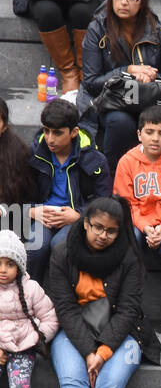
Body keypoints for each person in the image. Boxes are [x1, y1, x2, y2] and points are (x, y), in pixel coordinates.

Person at [49, 196, 160, 388]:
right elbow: (65, 308)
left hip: (123, 334)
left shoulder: (129, 258)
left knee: (111, 380)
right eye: (97, 227)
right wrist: (89, 351)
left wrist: (103, 353)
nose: (103, 235)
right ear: (85, 223)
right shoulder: (62, 253)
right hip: (74, 332)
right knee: (73, 379)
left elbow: (127, 311)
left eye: (111, 231)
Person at [80, 0, 161, 171]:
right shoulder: (97, 29)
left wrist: (149, 76)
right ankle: (115, 183)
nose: (124, 2)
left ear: (142, 1)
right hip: (111, 101)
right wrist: (128, 71)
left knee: (152, 122)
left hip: (149, 98)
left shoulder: (160, 32)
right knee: (120, 122)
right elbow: (91, 81)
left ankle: (149, 181)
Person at [110, 106, 161, 330]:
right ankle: (128, 298)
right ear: (139, 134)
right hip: (138, 220)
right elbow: (126, 204)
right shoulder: (127, 162)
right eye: (149, 132)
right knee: (130, 240)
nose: (155, 138)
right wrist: (147, 228)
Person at [25, 98, 110, 284]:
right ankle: (30, 300)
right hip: (43, 215)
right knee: (35, 246)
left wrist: (80, 216)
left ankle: (62, 304)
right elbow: (17, 193)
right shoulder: (33, 155)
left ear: (74, 133)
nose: (50, 139)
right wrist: (31, 211)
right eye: (46, 131)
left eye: (57, 133)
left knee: (61, 247)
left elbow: (104, 202)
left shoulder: (95, 160)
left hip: (75, 217)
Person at [0, 228, 57, 388]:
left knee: (20, 386)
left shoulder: (31, 289)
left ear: (20, 266)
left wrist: (36, 338)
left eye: (9, 264)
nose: (3, 269)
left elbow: (50, 318)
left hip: (24, 348)